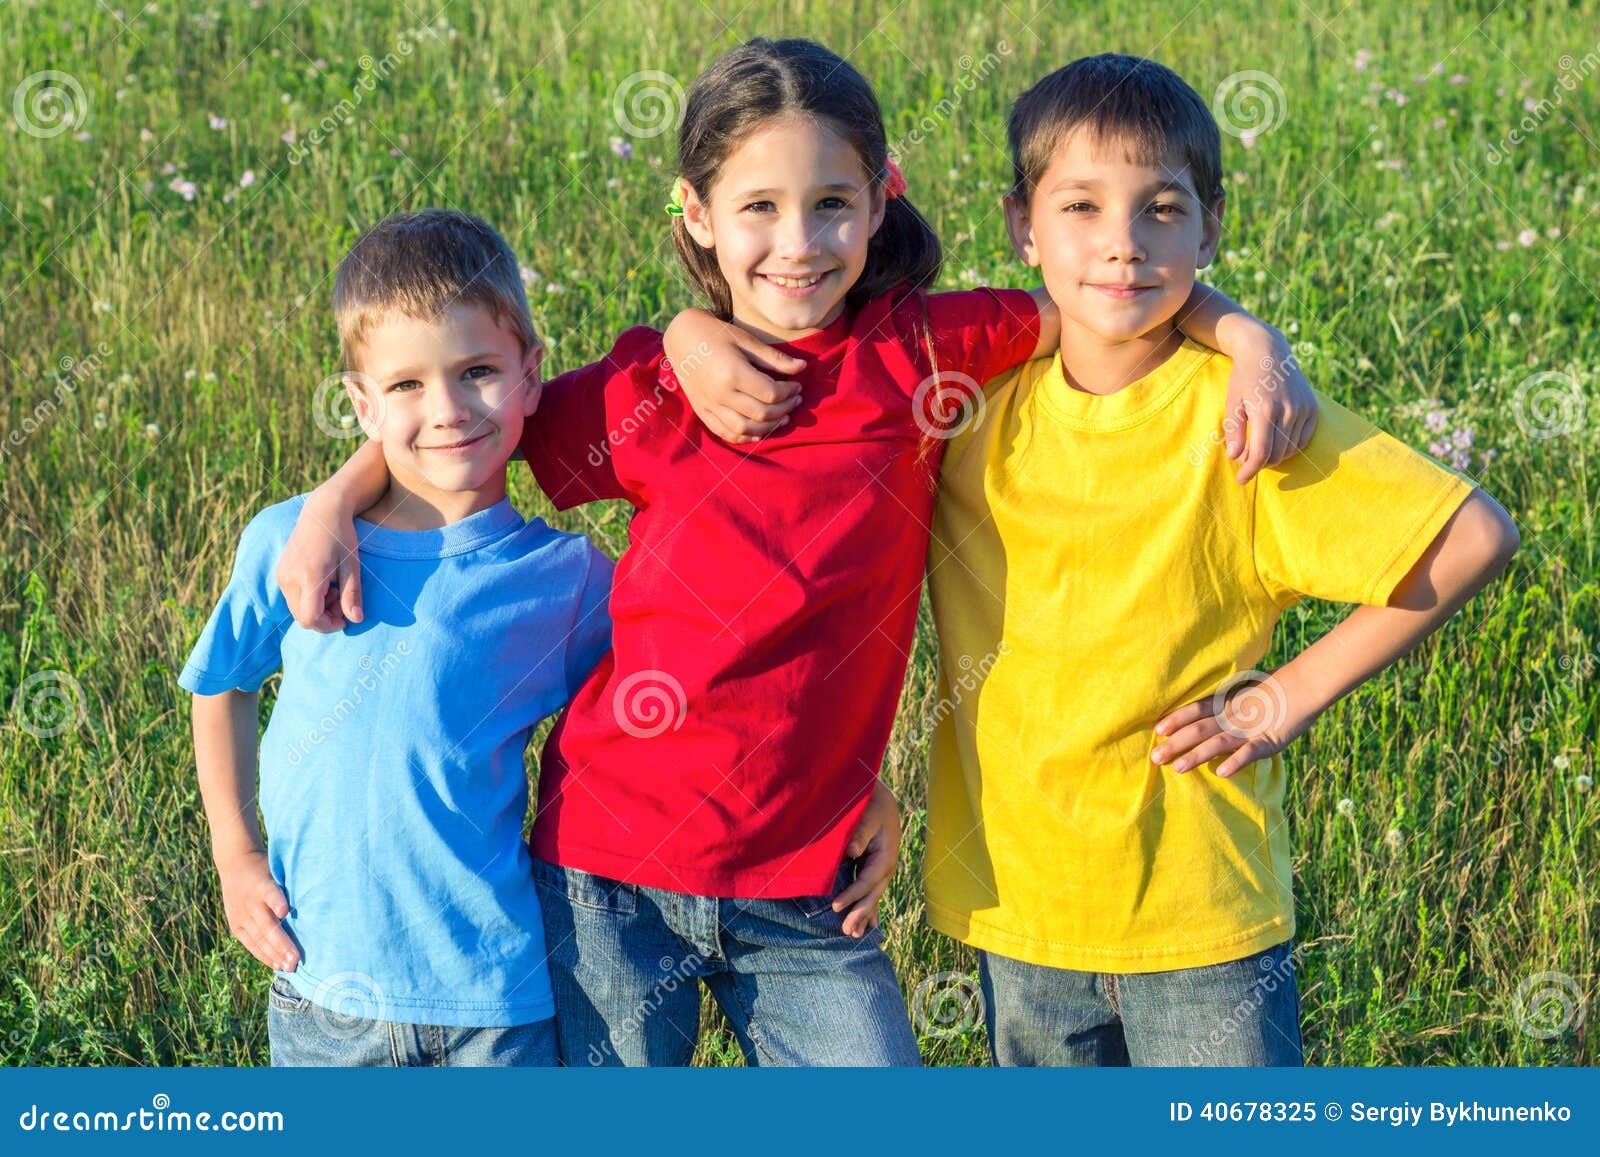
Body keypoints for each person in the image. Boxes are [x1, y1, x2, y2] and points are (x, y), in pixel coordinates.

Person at [920, 54, 1520, 1066]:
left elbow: (1475, 536)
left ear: (1211, 225)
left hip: (1201, 920)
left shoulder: (1247, 416)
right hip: (1016, 904)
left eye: (1160, 208)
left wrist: (1284, 697)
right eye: (1080, 207)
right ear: (1022, 222)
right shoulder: (973, 401)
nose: (1120, 244)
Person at [180, 209, 614, 1065]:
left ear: (532, 374)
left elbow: (692, 692)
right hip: (322, 989)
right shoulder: (292, 540)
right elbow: (221, 682)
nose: (447, 409)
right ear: (360, 402)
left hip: (495, 996)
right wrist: (235, 853)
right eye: (407, 385)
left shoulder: (566, 580)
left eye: (478, 371)